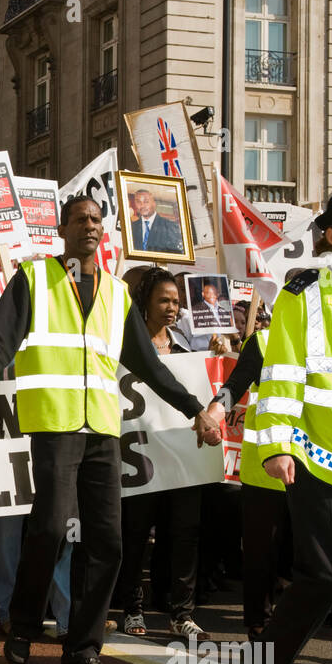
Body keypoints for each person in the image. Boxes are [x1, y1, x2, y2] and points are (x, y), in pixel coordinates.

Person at [0, 196, 220, 664]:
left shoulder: (117, 293)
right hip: (55, 425)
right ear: (62, 228)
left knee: (107, 541)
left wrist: (194, 410)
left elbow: (148, 364)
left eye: (96, 220)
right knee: (51, 529)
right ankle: (22, 625)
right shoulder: (34, 278)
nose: (89, 226)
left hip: (102, 430)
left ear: (104, 231)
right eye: (80, 219)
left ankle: (82, 648)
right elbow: (0, 334)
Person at [247, 188, 332, 664]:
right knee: (329, 577)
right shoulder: (304, 292)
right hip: (319, 453)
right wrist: (277, 446)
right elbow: (282, 373)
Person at [112, 267, 207, 640]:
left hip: (183, 459)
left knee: (186, 532)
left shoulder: (187, 350)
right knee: (135, 532)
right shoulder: (124, 348)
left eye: (176, 302)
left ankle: (181, 613)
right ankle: (133, 607)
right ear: (145, 304)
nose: (172, 308)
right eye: (164, 300)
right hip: (140, 459)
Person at [205, 315, 289, 639]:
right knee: (261, 551)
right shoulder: (264, 341)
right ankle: (259, 623)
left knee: (309, 554)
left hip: (315, 465)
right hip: (264, 465)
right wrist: (215, 410)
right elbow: (234, 385)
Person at [129, 188, 185, 256]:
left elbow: (178, 253)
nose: (142, 205)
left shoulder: (170, 226)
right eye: (138, 202)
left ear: (154, 204)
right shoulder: (131, 228)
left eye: (146, 201)